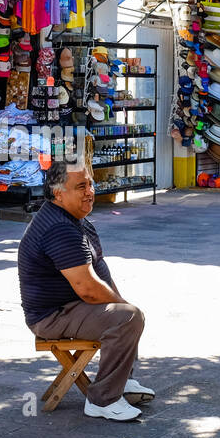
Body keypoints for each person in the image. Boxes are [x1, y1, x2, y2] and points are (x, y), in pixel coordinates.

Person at [18, 158, 154, 421]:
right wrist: (123, 308)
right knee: (127, 317)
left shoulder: (73, 219)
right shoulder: (59, 227)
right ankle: (103, 400)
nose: (90, 191)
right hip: (52, 316)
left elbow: (98, 274)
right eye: (81, 186)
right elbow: (88, 289)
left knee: (126, 311)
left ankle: (122, 381)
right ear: (58, 193)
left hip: (68, 306)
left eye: (90, 184)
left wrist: (121, 302)